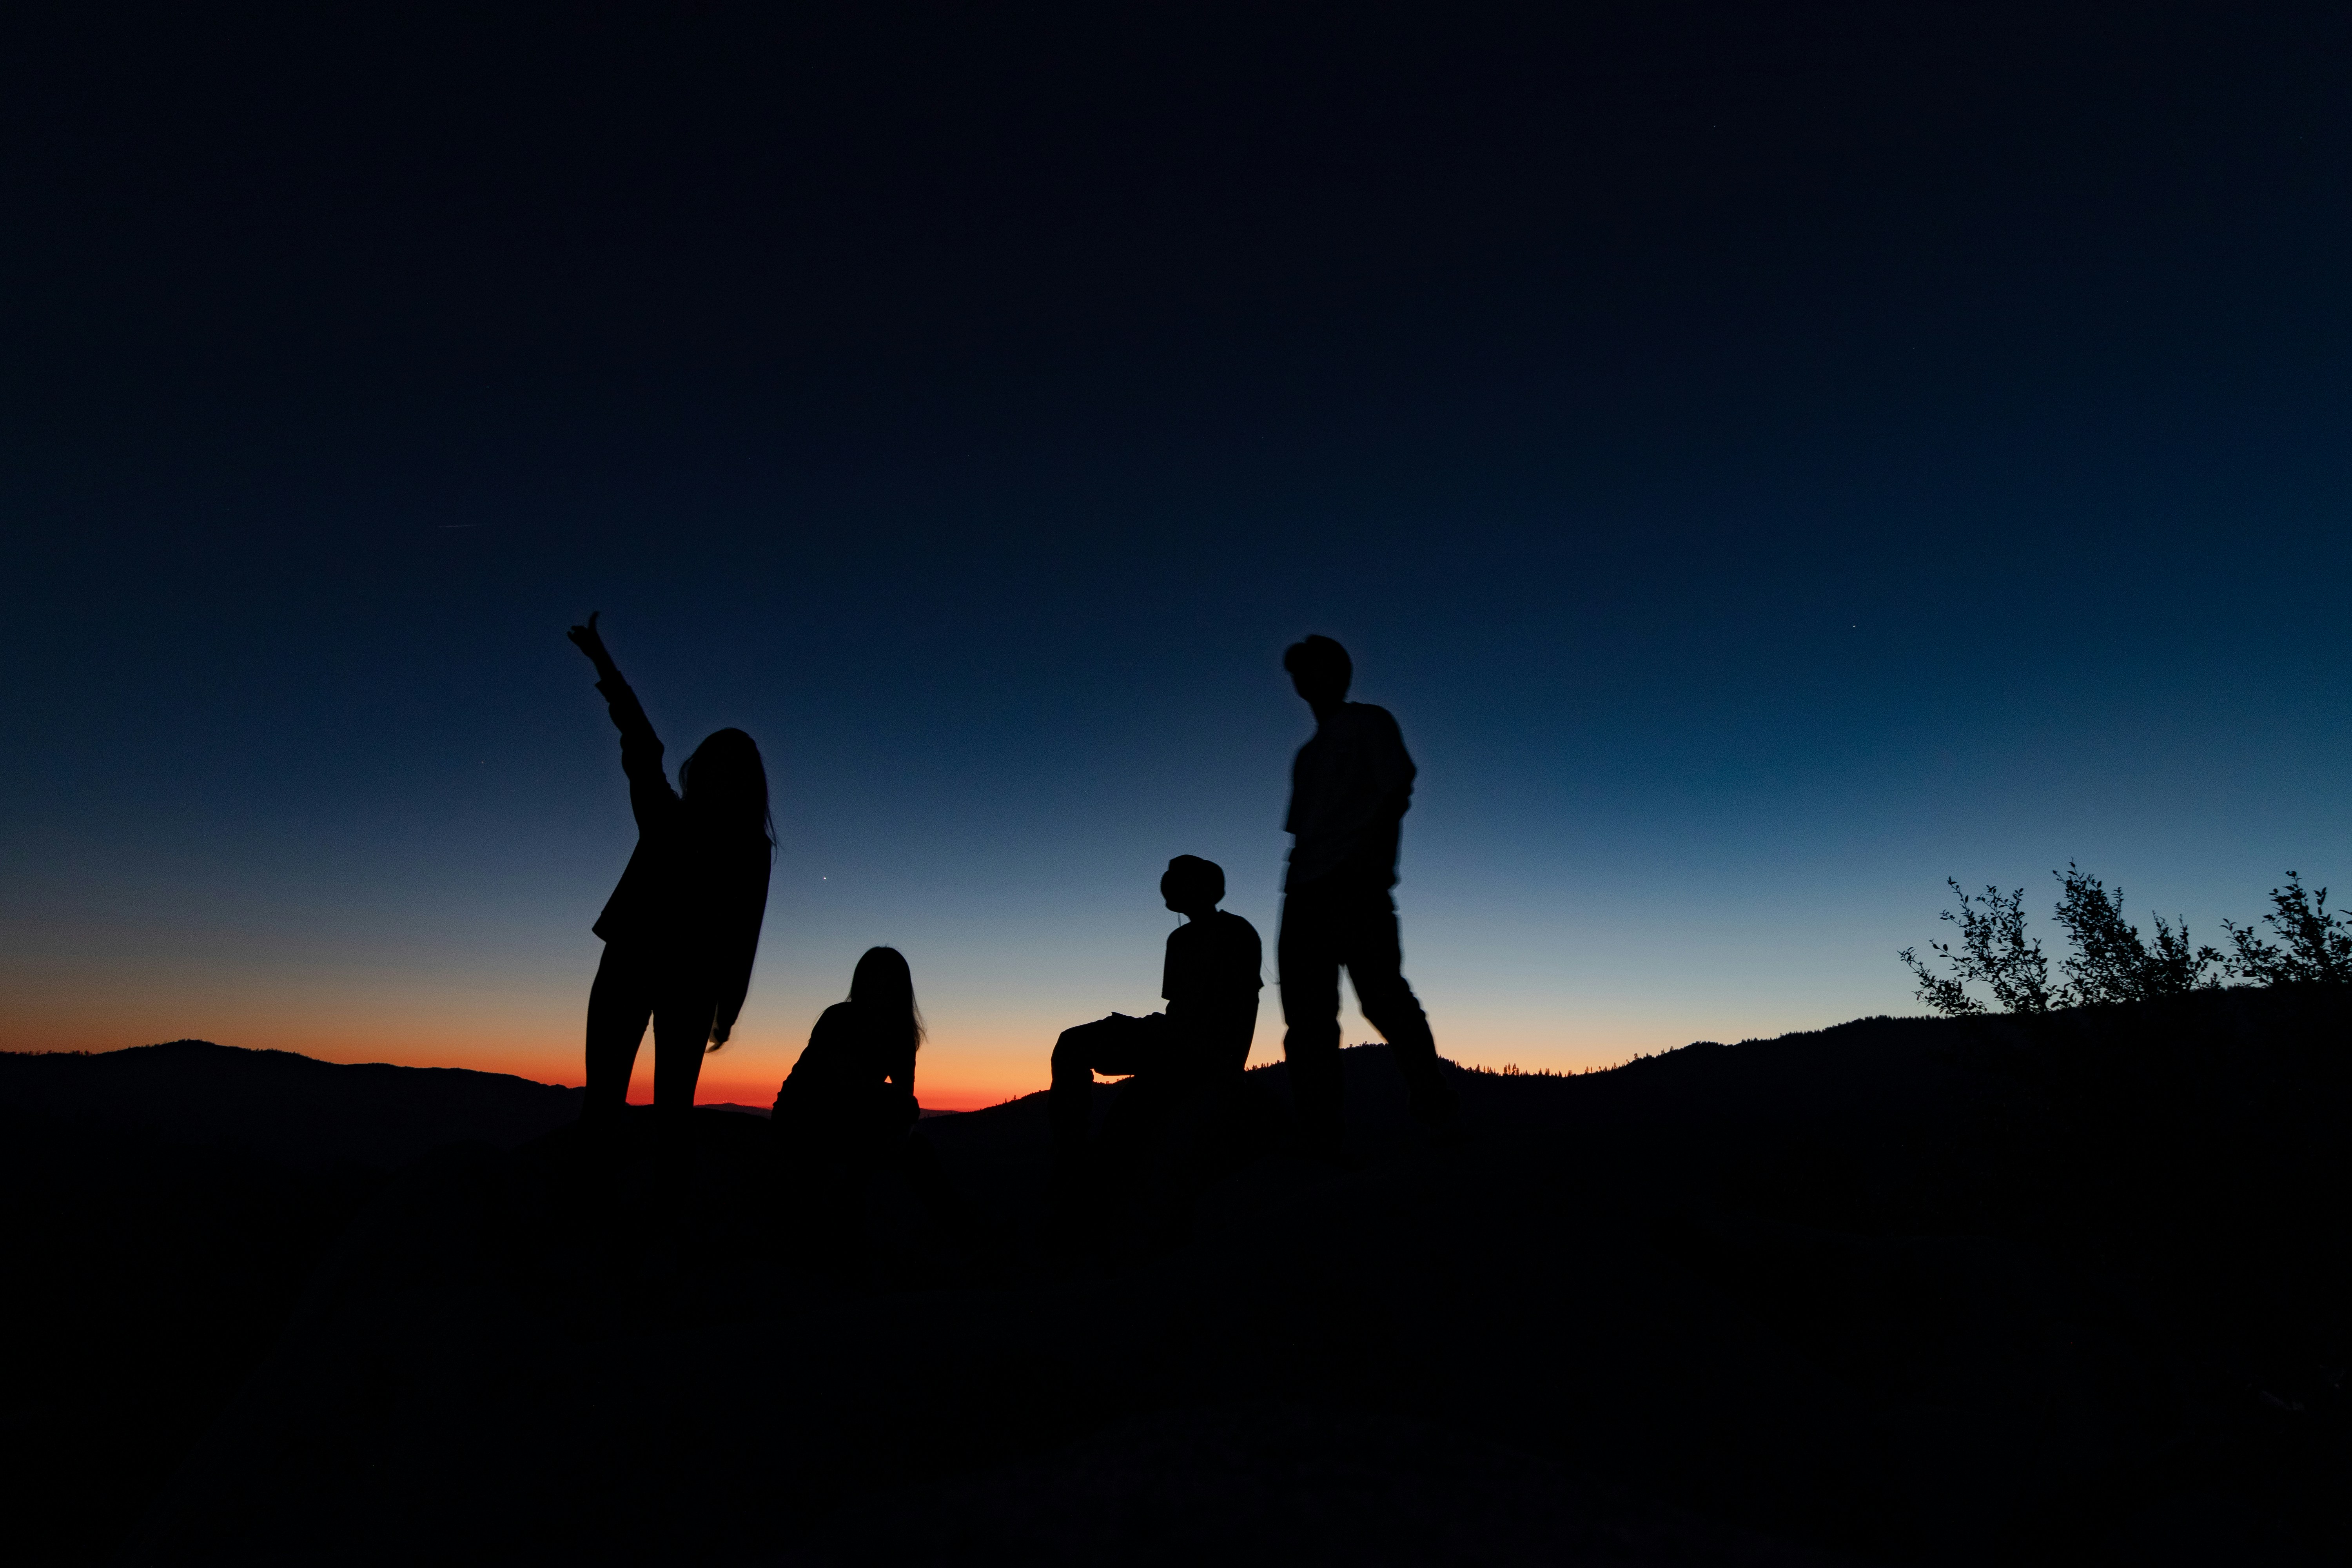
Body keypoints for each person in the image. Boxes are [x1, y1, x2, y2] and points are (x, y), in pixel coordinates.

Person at [567, 612, 774, 1138]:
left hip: (692, 982)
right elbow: (641, 742)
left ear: (746, 783)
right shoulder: (666, 816)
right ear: (702, 770)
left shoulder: (752, 850)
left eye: (733, 770)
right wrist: (604, 664)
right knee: (603, 1104)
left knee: (672, 1117)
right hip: (629, 965)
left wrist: (727, 1009)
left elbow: (743, 932)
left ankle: (660, 1207)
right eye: (715, 765)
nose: (720, 777)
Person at [1277, 634, 1455, 1148]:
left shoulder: (1368, 723)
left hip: (1355, 884)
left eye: (1317, 669)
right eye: (1300, 673)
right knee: (1308, 1020)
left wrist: (1368, 861)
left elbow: (1396, 787)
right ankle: (1321, 1134)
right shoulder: (1308, 755)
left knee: (1383, 999)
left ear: (1338, 674)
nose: (1307, 681)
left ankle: (1434, 1102)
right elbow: (1303, 831)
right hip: (1304, 893)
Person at [1049, 855, 1263, 1188]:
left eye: (1182, 881)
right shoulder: (1181, 940)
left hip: (1193, 1050)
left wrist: (1225, 1067)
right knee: (1071, 1044)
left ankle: (1072, 1162)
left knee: (1073, 1045)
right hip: (1174, 1041)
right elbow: (1181, 1008)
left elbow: (1234, 1008)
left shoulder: (1235, 932)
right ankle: (1072, 1158)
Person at [771, 946, 954, 1258]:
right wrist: (897, 1111)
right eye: (877, 981)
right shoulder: (839, 1020)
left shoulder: (900, 1036)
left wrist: (902, 1125)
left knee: (914, 1147)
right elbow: (838, 1085)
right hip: (805, 1116)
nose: (882, 990)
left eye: (888, 983)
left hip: (849, 1118)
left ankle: (956, 1232)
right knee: (872, 1152)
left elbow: (902, 1098)